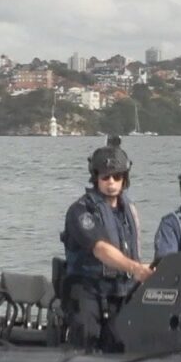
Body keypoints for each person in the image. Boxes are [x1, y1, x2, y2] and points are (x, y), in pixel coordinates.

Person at [60, 136, 152, 350]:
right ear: (96, 178)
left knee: (122, 343)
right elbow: (100, 249)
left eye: (116, 177)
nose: (111, 182)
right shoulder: (82, 210)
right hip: (88, 290)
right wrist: (135, 268)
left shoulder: (129, 210)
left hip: (121, 292)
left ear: (124, 179)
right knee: (86, 340)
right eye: (105, 177)